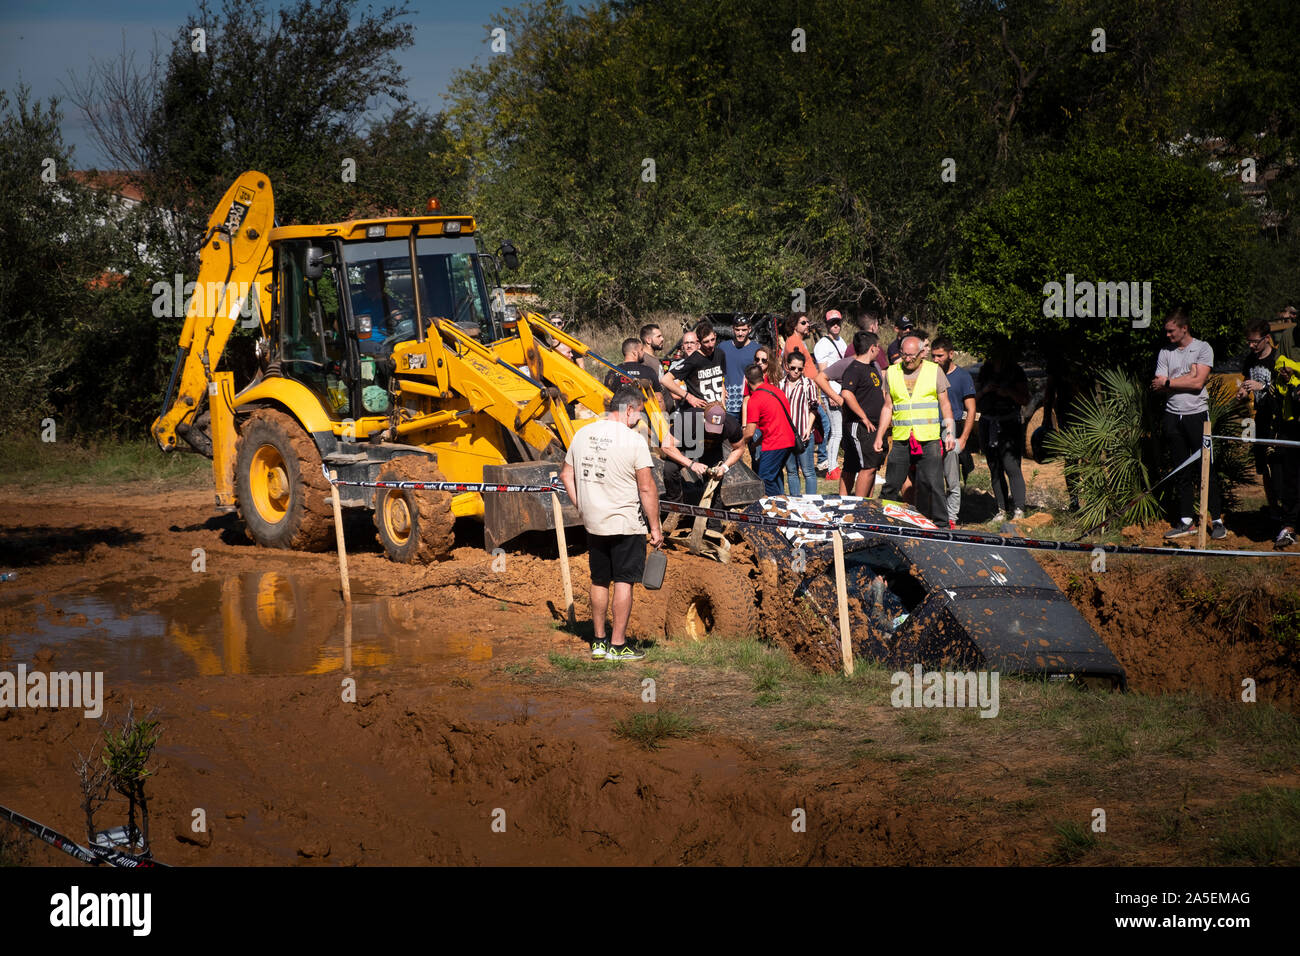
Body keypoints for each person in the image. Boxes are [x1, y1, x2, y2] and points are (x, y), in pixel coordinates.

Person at [559, 385, 662, 662]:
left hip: (595, 524)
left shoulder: (582, 434)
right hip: (625, 523)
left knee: (599, 579)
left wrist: (582, 505)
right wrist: (655, 527)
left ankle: (599, 642)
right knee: (624, 581)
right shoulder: (634, 441)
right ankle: (618, 645)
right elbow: (647, 488)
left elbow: (566, 475)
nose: (639, 420)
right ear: (628, 410)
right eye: (638, 414)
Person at [1151, 308, 1226, 540]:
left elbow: (1198, 384)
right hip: (1172, 415)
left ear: (1184, 328)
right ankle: (1186, 520)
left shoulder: (1203, 348)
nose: (1168, 335)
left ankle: (1216, 520)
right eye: (1167, 331)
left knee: (1206, 468)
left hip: (1197, 415)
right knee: (1181, 468)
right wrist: (1187, 377)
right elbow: (1158, 383)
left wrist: (1171, 381)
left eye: (1171, 331)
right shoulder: (1165, 351)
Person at [874, 334, 956, 524]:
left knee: (934, 484)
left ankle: (940, 525)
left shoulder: (934, 371)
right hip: (902, 438)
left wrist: (950, 433)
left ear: (921, 353)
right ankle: (884, 522)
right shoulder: (892, 373)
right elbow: (888, 407)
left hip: (929, 438)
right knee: (891, 484)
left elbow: (945, 405)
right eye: (904, 355)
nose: (908, 359)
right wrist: (880, 436)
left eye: (912, 355)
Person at [976, 350, 1030, 522]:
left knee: (1011, 466)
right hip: (987, 422)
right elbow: (974, 398)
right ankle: (1001, 509)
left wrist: (1008, 392)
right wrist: (986, 390)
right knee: (994, 467)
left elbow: (1025, 399)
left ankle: (1019, 510)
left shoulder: (1015, 371)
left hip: (1009, 422)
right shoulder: (985, 370)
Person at [930, 336, 976, 529]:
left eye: (939, 356)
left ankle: (951, 518)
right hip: (930, 427)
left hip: (951, 428)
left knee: (952, 478)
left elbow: (971, 409)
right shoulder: (930, 373)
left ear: (951, 354)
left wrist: (963, 438)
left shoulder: (963, 376)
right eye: (933, 356)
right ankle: (933, 514)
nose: (935, 360)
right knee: (931, 475)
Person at [1239, 319, 1280, 518]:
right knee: (1263, 468)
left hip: (1278, 418)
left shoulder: (1277, 358)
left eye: (1255, 341)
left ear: (1267, 338)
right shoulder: (1250, 360)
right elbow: (1247, 382)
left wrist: (1262, 387)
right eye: (1249, 341)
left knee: (1280, 466)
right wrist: (1243, 392)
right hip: (1260, 417)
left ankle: (1287, 509)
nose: (1251, 345)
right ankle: (1273, 510)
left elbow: (1282, 390)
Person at [839, 331, 887, 497]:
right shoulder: (854, 369)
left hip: (874, 425)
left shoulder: (872, 367)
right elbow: (846, 394)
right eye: (878, 347)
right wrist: (863, 417)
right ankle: (858, 507)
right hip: (859, 426)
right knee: (866, 467)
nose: (879, 350)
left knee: (870, 466)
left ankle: (868, 504)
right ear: (872, 348)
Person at [743, 363, 797, 495]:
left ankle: (782, 507)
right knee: (775, 476)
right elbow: (774, 422)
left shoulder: (754, 400)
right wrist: (757, 443)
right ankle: (780, 505)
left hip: (775, 443)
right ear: (763, 376)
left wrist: (738, 443)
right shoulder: (777, 391)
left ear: (746, 380)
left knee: (765, 478)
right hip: (789, 440)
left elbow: (749, 432)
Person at [1269, 346, 1300, 548]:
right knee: (1290, 478)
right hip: (1291, 428)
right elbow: (1280, 361)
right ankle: (1289, 526)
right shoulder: (1290, 336)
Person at [814, 310, 848, 479]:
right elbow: (822, 374)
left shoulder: (842, 341)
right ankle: (832, 468)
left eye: (838, 322)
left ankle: (836, 466)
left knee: (841, 431)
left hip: (843, 391)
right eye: (832, 322)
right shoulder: (822, 345)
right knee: (836, 432)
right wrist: (832, 395)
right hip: (833, 392)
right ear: (826, 324)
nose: (836, 325)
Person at [663, 320, 726, 410]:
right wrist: (689, 397)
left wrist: (723, 405)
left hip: (717, 410)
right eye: (706, 342)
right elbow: (665, 380)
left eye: (713, 340)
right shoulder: (693, 360)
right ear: (699, 343)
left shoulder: (720, 354)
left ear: (715, 336)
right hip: (699, 411)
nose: (711, 344)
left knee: (733, 424)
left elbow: (721, 381)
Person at [781, 350, 819, 495]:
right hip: (786, 435)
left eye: (800, 369)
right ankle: (795, 502)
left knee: (808, 471)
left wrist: (808, 429)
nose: (796, 371)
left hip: (804, 433)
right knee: (791, 471)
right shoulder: (780, 385)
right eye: (793, 368)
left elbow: (813, 408)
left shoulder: (808, 384)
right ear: (786, 366)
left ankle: (810, 503)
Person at [717, 314, 761, 419]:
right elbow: (715, 370)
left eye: (743, 330)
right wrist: (720, 386)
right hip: (727, 404)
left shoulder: (757, 349)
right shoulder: (723, 347)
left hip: (749, 404)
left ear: (749, 329)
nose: (740, 333)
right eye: (737, 330)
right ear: (733, 329)